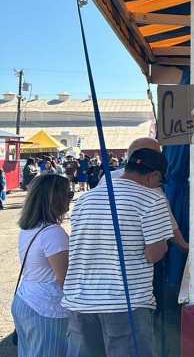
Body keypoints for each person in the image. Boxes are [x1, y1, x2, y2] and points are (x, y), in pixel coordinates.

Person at [63, 148, 174, 357]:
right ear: (154, 176)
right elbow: (154, 254)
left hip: (79, 301)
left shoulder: (85, 200)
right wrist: (164, 246)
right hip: (126, 303)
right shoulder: (153, 200)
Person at [11, 174, 74, 357]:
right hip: (46, 307)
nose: (70, 197)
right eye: (68, 193)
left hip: (26, 299)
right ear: (55, 199)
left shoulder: (29, 227)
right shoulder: (53, 233)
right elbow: (65, 280)